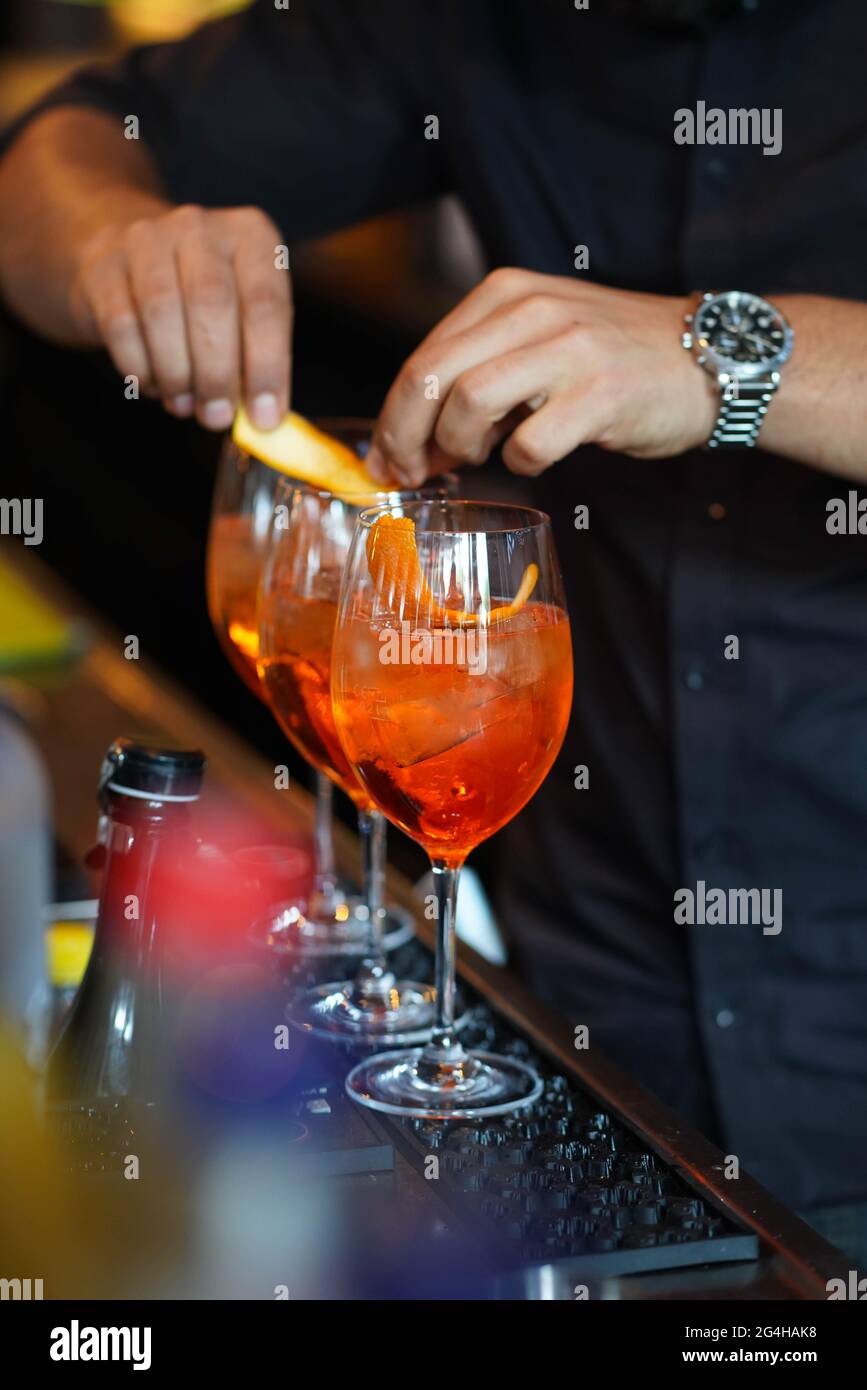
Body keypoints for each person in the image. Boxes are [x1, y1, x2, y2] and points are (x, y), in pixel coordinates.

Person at [1, 0, 866, 1257]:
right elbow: (49, 153)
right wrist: (120, 247)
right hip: (586, 981)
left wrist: (727, 358)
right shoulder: (470, 22)